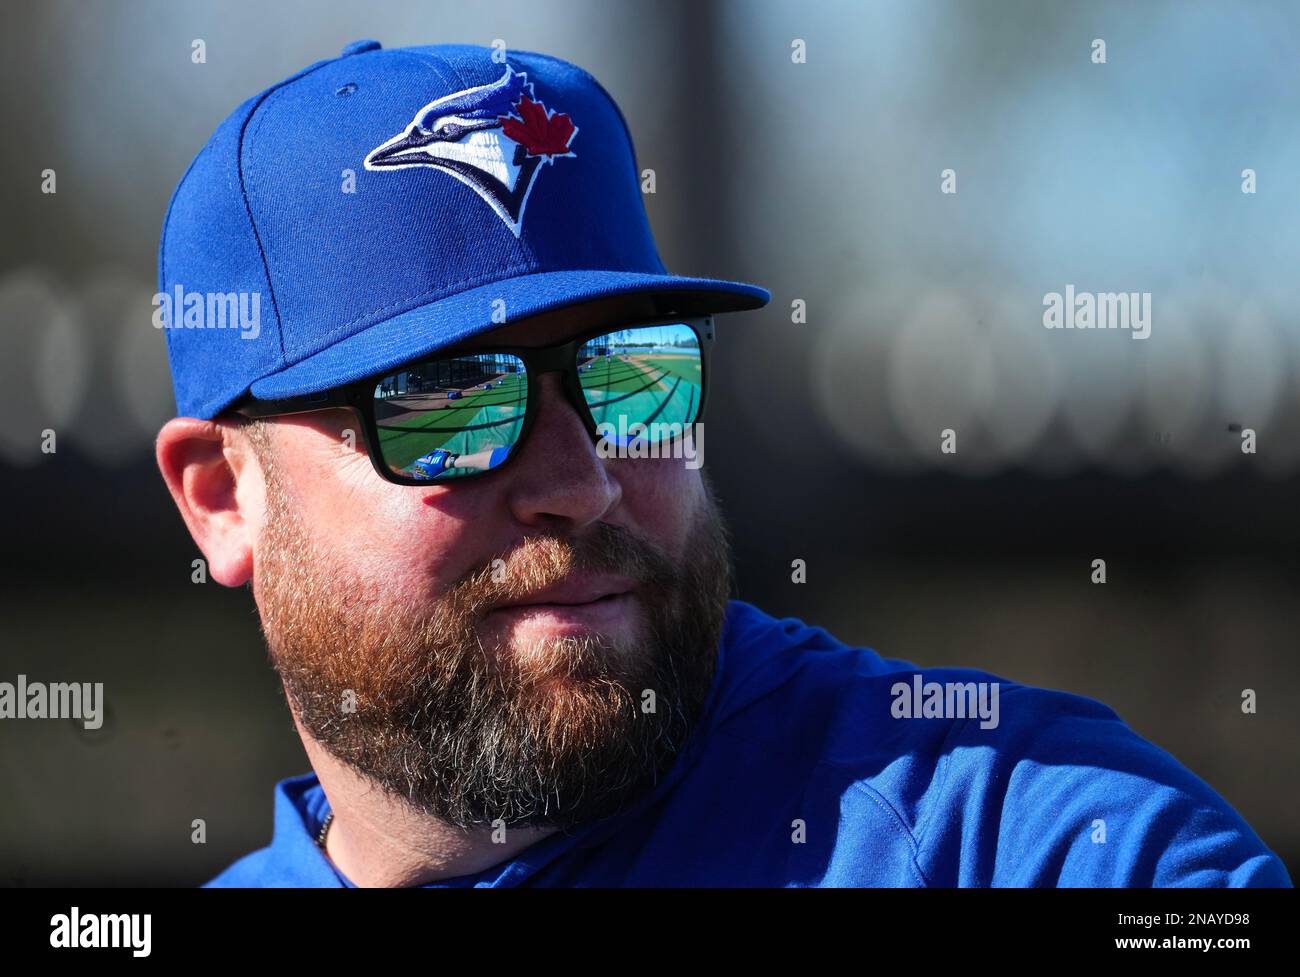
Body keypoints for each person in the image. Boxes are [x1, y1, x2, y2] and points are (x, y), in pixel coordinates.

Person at [154, 41, 1291, 887]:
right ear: (221, 496)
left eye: (630, 373)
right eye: (450, 399)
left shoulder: (1026, 838)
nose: (585, 478)